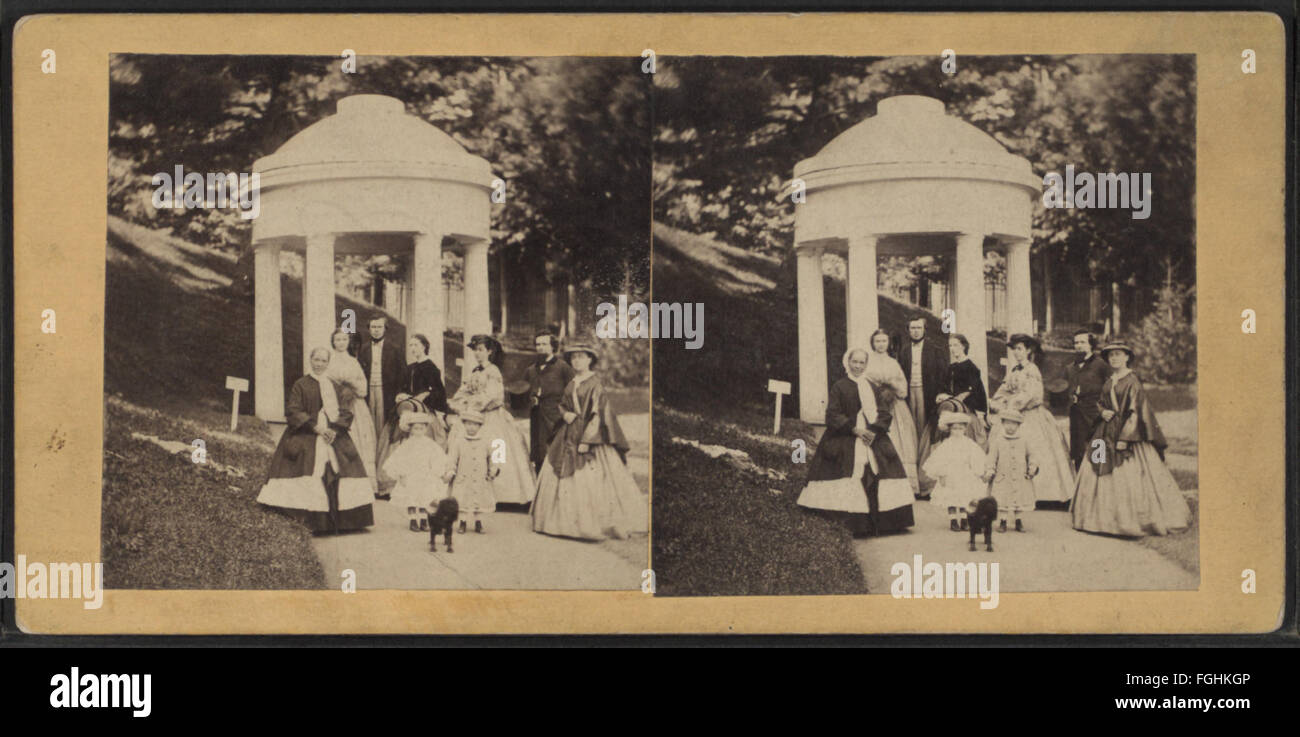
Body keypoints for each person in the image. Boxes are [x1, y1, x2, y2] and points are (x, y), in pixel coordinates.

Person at [1071, 342, 1191, 537]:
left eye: (1118, 355)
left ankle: (1126, 522)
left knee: (1126, 474)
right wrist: (1103, 412)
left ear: (1127, 357)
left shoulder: (1132, 381)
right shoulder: (1110, 380)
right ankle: (1096, 519)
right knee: (1098, 465)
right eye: (1111, 356)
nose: (1114, 359)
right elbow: (1100, 402)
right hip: (1103, 433)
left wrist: (1125, 438)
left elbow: (1136, 412)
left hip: (1125, 433)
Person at [531, 344, 647, 541]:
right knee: (557, 468)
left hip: (587, 434)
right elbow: (563, 404)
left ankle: (588, 524)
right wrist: (565, 413)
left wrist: (587, 441)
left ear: (589, 360)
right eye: (574, 357)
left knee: (589, 477)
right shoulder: (572, 382)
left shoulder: (595, 384)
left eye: (581, 357)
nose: (577, 361)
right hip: (568, 432)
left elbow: (598, 415)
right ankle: (559, 522)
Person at [796, 347, 914, 536]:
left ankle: (885, 522)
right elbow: (832, 414)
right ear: (848, 363)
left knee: (880, 465)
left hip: (873, 435)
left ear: (866, 365)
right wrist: (854, 429)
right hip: (847, 435)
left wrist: (874, 430)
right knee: (853, 465)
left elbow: (884, 412)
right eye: (855, 362)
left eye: (862, 363)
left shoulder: (872, 387)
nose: (858, 366)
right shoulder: (839, 386)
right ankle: (854, 521)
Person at [257, 347, 374, 534]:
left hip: (334, 434)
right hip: (308, 432)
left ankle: (344, 521)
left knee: (342, 463)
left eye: (323, 361)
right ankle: (313, 519)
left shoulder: (335, 386)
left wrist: (335, 430)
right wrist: (316, 427)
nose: (319, 364)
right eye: (316, 360)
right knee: (308, 462)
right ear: (310, 360)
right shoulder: (301, 384)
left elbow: (345, 411)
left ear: (328, 363)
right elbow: (293, 410)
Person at [448, 334, 537, 506]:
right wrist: (461, 402)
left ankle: (502, 494)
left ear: (489, 351)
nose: (477, 353)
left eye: (481, 350)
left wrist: (474, 404)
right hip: (473, 416)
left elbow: (494, 396)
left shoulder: (493, 371)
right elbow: (463, 391)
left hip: (491, 416)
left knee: (497, 447)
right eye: (475, 350)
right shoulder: (474, 371)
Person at [988, 333, 1074, 505]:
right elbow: (1003, 390)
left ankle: (1042, 495)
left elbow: (1032, 395)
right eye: (1014, 349)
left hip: (1029, 414)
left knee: (1034, 449)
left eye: (1020, 349)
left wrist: (1011, 406)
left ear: (1028, 350)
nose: (1017, 353)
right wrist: (998, 402)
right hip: (1012, 414)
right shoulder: (1014, 370)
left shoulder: (1032, 370)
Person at [375, 333, 454, 496]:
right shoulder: (409, 367)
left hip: (423, 411)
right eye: (410, 345)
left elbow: (439, 393)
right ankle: (394, 485)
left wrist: (419, 398)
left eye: (416, 345)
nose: (413, 348)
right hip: (406, 408)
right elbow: (403, 387)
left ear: (424, 346)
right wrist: (401, 394)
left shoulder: (431, 368)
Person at [917, 333, 989, 492]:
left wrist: (952, 399)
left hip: (963, 409)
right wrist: (940, 395)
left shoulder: (971, 367)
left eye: (956, 345)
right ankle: (935, 484)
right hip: (948, 407)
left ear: (963, 346)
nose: (953, 349)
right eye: (950, 346)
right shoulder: (950, 367)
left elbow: (972, 392)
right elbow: (943, 386)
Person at [865, 329, 920, 496]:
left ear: (888, 343)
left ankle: (902, 484)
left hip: (894, 405)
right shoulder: (867, 361)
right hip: (874, 403)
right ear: (872, 343)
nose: (881, 344)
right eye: (877, 341)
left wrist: (893, 388)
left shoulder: (893, 362)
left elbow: (903, 388)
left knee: (900, 440)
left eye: (883, 341)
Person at [325, 329, 378, 493]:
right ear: (333, 342)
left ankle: (361, 485)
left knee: (359, 441)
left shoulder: (354, 362)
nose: (341, 342)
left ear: (348, 342)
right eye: (337, 339)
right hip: (335, 404)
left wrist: (352, 387)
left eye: (344, 339)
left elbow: (363, 388)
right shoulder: (328, 361)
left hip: (354, 405)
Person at [382, 412, 449, 533]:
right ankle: (413, 521)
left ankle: (424, 521)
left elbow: (437, 457)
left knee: (425, 498)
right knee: (411, 498)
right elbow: (399, 459)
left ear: (425, 429)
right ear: (411, 430)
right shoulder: (407, 444)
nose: (419, 431)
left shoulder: (430, 444)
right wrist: (401, 474)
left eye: (421, 428)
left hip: (425, 475)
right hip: (411, 475)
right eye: (416, 428)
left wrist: (437, 472)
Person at [923, 411, 987, 532]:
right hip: (951, 474)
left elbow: (976, 457)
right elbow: (940, 459)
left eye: (960, 429)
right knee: (951, 497)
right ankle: (953, 521)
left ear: (965, 429)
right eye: (954, 429)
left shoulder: (969, 443)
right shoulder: (947, 444)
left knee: (964, 497)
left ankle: (964, 520)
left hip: (965, 475)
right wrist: (941, 474)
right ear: (950, 430)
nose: (957, 431)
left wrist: (977, 472)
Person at [357, 315, 407, 464]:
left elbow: (402, 373)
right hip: (368, 392)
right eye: (373, 327)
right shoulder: (364, 349)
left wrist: (399, 393)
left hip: (387, 393)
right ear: (369, 329)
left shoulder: (394, 349)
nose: (376, 330)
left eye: (379, 327)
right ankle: (370, 459)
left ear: (385, 329)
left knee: (384, 425)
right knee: (369, 424)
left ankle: (383, 460)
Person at [523, 331, 575, 473]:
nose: (540, 347)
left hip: (557, 418)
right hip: (537, 418)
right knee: (538, 454)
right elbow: (524, 393)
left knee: (556, 453)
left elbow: (572, 393)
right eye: (538, 344)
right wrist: (530, 399)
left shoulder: (563, 368)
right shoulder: (530, 370)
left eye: (544, 344)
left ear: (553, 347)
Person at [442, 409, 497, 534]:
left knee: (479, 499)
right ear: (464, 424)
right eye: (468, 424)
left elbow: (492, 457)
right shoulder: (459, 441)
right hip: (463, 477)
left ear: (479, 426)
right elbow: (452, 458)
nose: (471, 427)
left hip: (480, 476)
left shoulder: (485, 441)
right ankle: (463, 522)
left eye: (475, 425)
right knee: (463, 500)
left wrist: (493, 469)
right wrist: (451, 470)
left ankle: (478, 522)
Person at [1065, 328, 1111, 470]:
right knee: (1079, 455)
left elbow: (1109, 390)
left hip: (1096, 417)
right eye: (1076, 342)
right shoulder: (1070, 368)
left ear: (1091, 345)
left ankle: (1101, 488)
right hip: (1077, 417)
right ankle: (1082, 489)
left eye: (1083, 342)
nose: (1078, 345)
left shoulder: (1101, 365)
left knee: (1098, 455)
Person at [985, 408, 1038, 532]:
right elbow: (992, 457)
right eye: (1007, 423)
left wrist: (1032, 466)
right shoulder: (998, 440)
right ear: (1003, 424)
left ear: (1018, 425)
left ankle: (1018, 521)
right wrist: (990, 469)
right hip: (1003, 475)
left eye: (1013, 424)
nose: (1010, 427)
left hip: (1020, 475)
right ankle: (1003, 521)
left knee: (1019, 498)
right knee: (1002, 498)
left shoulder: (1024, 440)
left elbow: (1032, 454)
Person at [898, 317, 949, 441]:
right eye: (913, 328)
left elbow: (942, 374)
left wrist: (941, 392)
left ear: (924, 330)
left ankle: (924, 449)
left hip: (926, 391)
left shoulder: (935, 349)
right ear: (908, 330)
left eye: (919, 328)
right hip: (909, 390)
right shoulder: (904, 350)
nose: (916, 331)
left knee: (923, 422)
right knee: (909, 420)